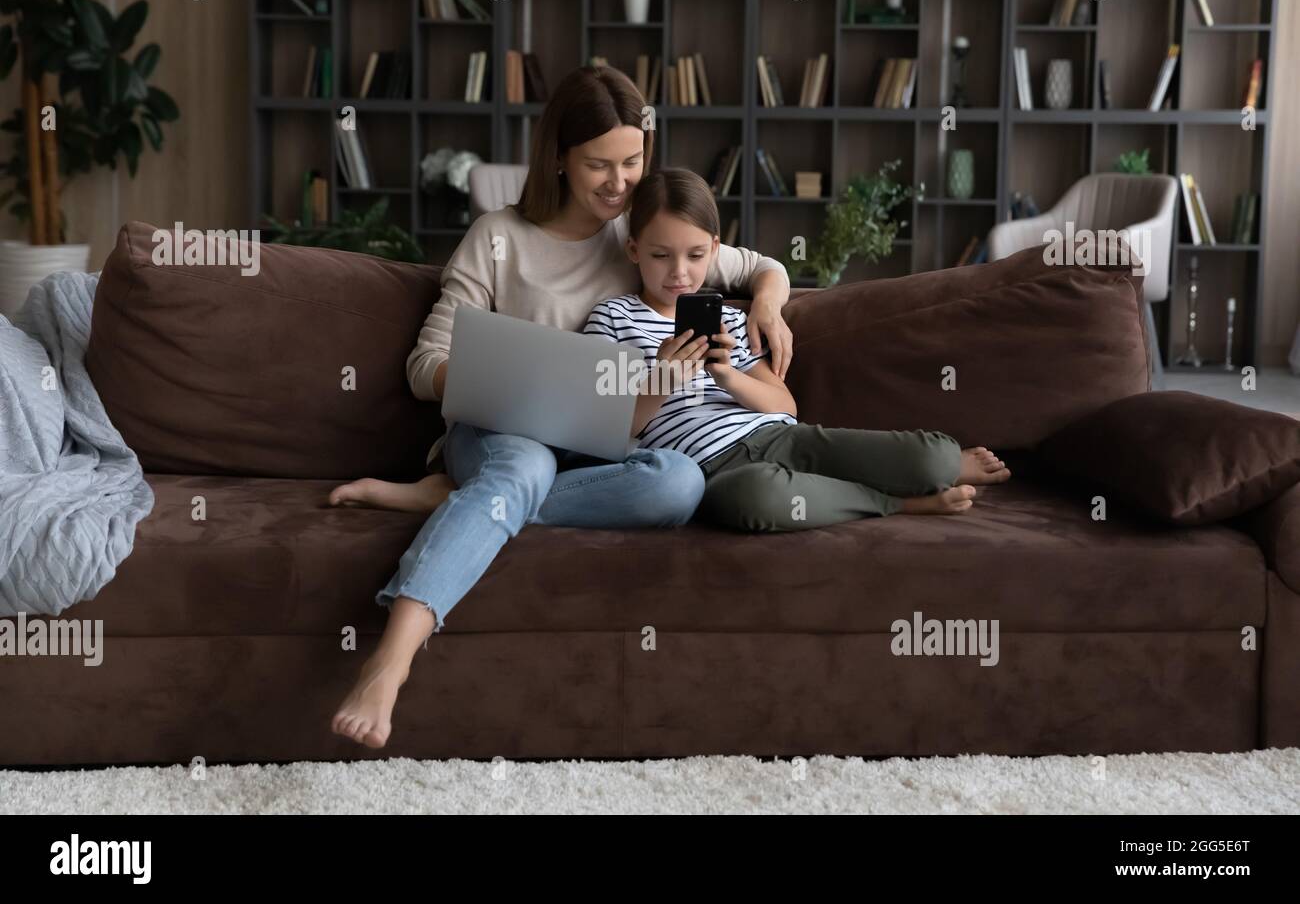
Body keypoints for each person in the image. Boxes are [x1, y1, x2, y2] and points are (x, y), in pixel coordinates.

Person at [328, 67, 794, 748]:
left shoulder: (644, 237)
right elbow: (424, 366)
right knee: (518, 469)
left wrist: (771, 304)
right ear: (558, 159)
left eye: (633, 161)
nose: (619, 182)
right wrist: (517, 378)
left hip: (603, 443)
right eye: (598, 165)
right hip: (504, 432)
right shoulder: (499, 237)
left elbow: (759, 265)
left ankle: (458, 501)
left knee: (679, 482)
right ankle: (389, 664)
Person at [583, 167, 1012, 534]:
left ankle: (923, 476)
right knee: (757, 498)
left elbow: (784, 405)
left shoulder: (728, 318)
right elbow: (596, 431)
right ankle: (896, 503)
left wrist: (728, 375)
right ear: (635, 250)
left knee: (936, 458)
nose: (680, 272)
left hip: (778, 437)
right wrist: (661, 382)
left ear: (714, 249)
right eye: (661, 255)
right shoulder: (613, 317)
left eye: (695, 255)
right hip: (708, 470)